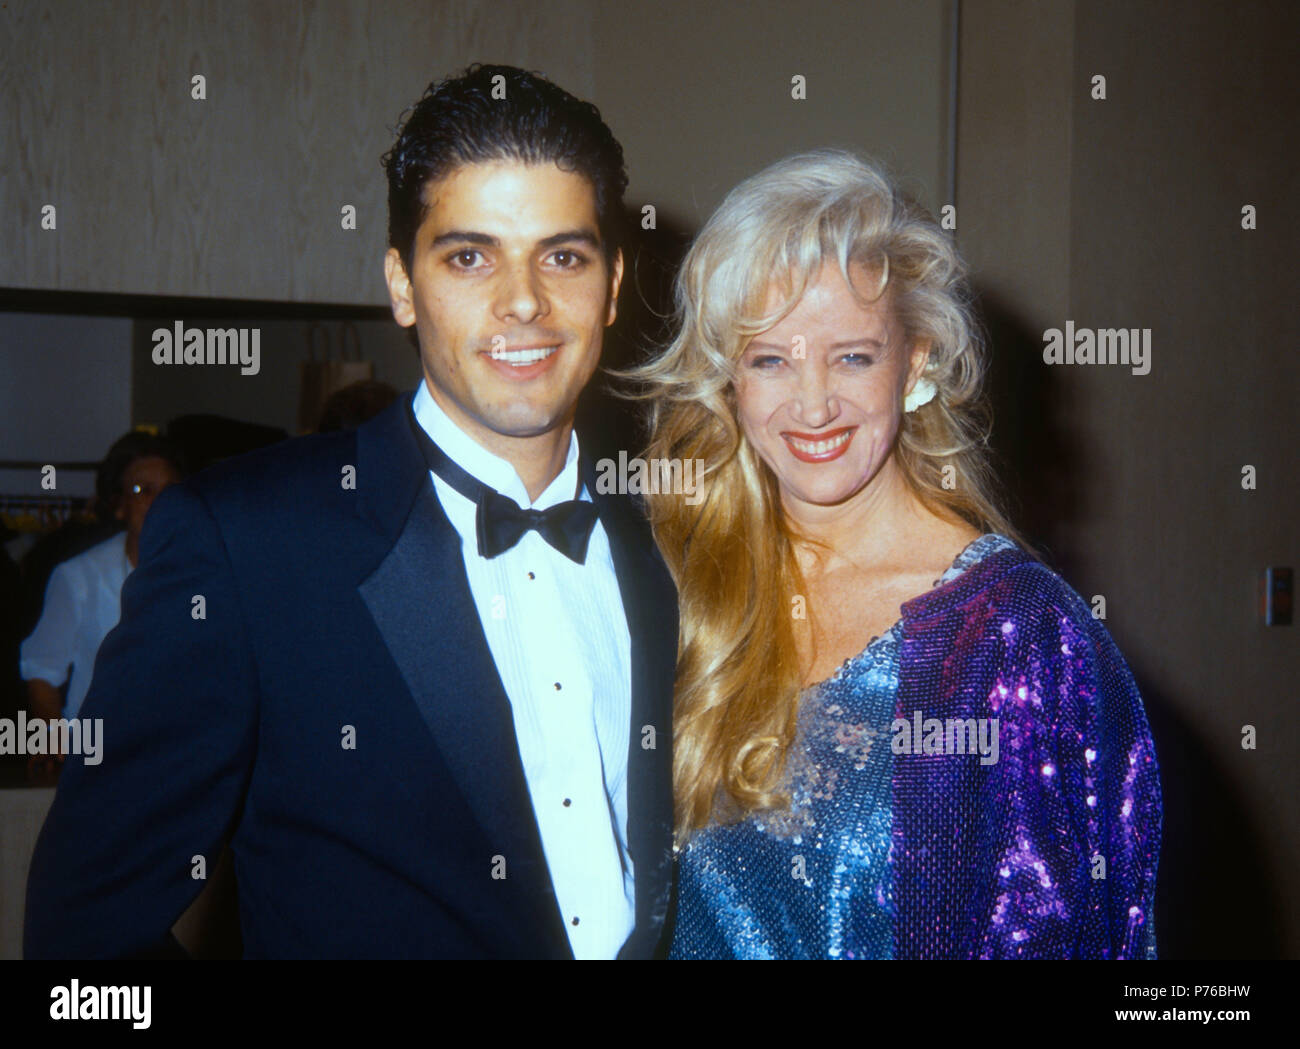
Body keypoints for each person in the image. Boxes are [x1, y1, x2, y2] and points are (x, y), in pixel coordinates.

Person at [25, 64, 678, 960]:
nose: (524, 300)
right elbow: (85, 926)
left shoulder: (674, 539)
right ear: (402, 284)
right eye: (470, 255)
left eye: (563, 255)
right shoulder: (246, 542)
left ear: (610, 284)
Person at [631, 150, 1161, 959]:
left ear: (913, 363)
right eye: (770, 359)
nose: (813, 404)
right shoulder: (673, 585)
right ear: (729, 381)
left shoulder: (1018, 634)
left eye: (852, 355)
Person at [20, 432, 184, 726]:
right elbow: (42, 668)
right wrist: (52, 734)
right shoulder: (79, 577)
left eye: (169, 491)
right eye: (143, 490)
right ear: (119, 505)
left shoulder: (206, 575)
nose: (159, 503)